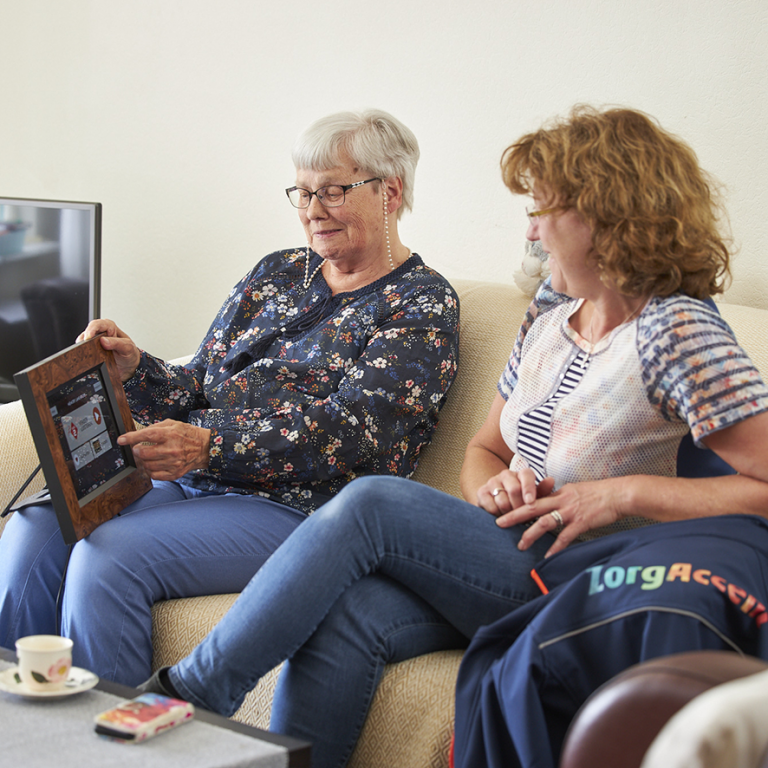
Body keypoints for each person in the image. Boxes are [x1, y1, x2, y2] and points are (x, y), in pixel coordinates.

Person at [139, 106, 768, 768]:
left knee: (370, 502)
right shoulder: (551, 312)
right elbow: (484, 450)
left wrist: (619, 494)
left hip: (590, 572)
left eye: (543, 210)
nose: (530, 230)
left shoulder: (677, 331)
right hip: (503, 549)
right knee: (346, 616)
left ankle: (196, 690)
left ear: (607, 218)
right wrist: (492, 487)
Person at [0, 108, 460, 687]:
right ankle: (25, 720)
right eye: (303, 193)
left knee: (109, 554)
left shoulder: (421, 303)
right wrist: (136, 368)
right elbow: (199, 382)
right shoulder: (276, 273)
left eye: (332, 191)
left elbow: (353, 430)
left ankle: (114, 733)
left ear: (389, 192)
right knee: (36, 528)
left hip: (303, 508)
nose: (312, 211)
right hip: (197, 482)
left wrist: (209, 445)